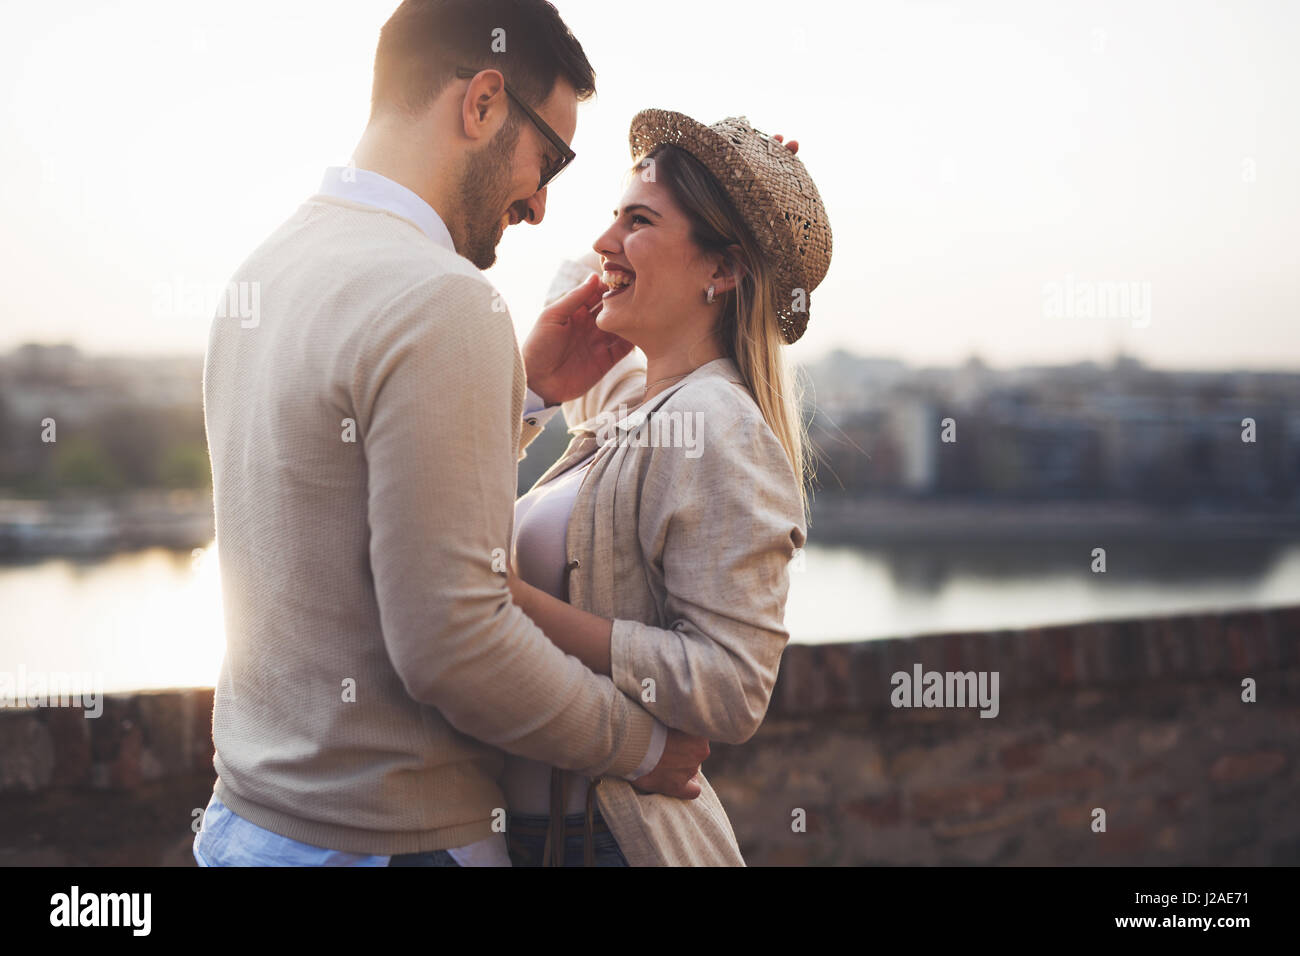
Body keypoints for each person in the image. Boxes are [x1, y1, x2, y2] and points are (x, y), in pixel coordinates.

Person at [193, 0, 709, 867]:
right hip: (390, 843)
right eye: (549, 158)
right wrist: (646, 747)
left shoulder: (263, 270)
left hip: (245, 828)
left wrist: (531, 392)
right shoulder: (446, 301)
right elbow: (456, 640)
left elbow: (334, 495)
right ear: (481, 103)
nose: (542, 206)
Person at [500, 111, 833, 865]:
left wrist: (511, 608)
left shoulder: (716, 423)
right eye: (615, 217)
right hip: (538, 839)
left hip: (613, 843)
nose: (606, 242)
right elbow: (577, 275)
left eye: (639, 221)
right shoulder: (631, 403)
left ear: (723, 269)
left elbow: (731, 688)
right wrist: (713, 167)